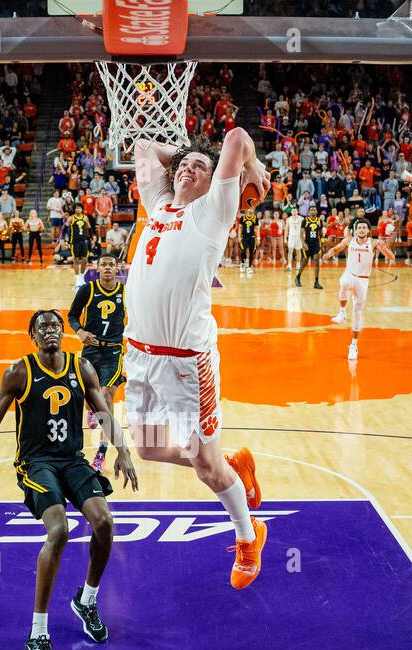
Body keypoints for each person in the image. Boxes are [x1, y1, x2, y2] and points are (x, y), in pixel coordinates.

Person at [126, 130, 270, 589]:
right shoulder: (157, 204)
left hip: (185, 363)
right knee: (148, 448)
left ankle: (249, 536)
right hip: (140, 356)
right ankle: (233, 466)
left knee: (206, 469)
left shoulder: (212, 212)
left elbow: (236, 137)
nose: (188, 168)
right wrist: (184, 158)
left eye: (200, 168)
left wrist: (250, 166)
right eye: (183, 166)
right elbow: (143, 148)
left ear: (216, 184)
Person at [0, 309, 139, 650]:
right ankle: (37, 636)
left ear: (62, 332)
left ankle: (87, 599)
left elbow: (105, 412)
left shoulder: (81, 367)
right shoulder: (19, 372)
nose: (50, 330)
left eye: (54, 325)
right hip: (36, 464)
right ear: (31, 335)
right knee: (59, 530)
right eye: (42, 326)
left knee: (105, 524)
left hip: (71, 459)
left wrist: (123, 452)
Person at [69, 253, 128, 454]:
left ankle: (102, 451)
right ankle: (91, 411)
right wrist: (80, 331)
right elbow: (72, 315)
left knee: (105, 397)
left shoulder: (125, 292)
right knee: (89, 400)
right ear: (98, 269)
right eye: (104, 265)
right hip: (91, 349)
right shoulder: (88, 289)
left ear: (117, 268)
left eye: (112, 264)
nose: (108, 268)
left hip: (113, 351)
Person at [324, 219, 396, 360]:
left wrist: (385, 247)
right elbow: (335, 249)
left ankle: (354, 345)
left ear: (368, 230)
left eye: (364, 227)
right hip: (350, 274)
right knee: (343, 282)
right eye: (359, 228)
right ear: (355, 230)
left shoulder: (374, 243)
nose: (362, 230)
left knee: (357, 311)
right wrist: (328, 254)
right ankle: (342, 313)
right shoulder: (349, 240)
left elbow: (392, 257)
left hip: (363, 280)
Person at [297, 207, 325, 288]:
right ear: (309, 212)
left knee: (316, 261)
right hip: (307, 243)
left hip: (316, 244)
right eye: (311, 210)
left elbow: (321, 234)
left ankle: (316, 282)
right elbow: (301, 234)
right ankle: (298, 277)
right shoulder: (305, 221)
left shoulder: (319, 221)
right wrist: (303, 243)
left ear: (316, 211)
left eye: (314, 210)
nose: (313, 211)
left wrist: (322, 245)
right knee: (304, 262)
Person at [67, 208, 93, 286]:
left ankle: (81, 277)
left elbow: (89, 227)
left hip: (83, 240)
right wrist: (65, 239)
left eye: (80, 208)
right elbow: (65, 228)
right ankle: (77, 278)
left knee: (85, 260)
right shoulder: (71, 218)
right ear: (75, 209)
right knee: (76, 260)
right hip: (74, 241)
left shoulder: (85, 217)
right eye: (77, 208)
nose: (78, 209)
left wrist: (91, 237)